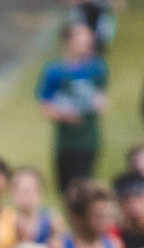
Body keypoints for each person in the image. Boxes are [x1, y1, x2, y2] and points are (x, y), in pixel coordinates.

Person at [37, 22, 111, 194]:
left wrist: (98, 104)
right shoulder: (54, 71)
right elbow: (43, 106)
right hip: (64, 141)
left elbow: (103, 99)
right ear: (68, 41)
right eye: (80, 38)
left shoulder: (97, 68)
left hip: (87, 139)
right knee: (65, 188)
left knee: (83, 187)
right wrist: (63, 115)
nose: (85, 42)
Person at [11, 166, 67, 245]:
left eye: (30, 190)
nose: (25, 195)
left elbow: (66, 244)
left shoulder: (52, 218)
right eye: (20, 190)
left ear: (40, 194)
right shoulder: (8, 219)